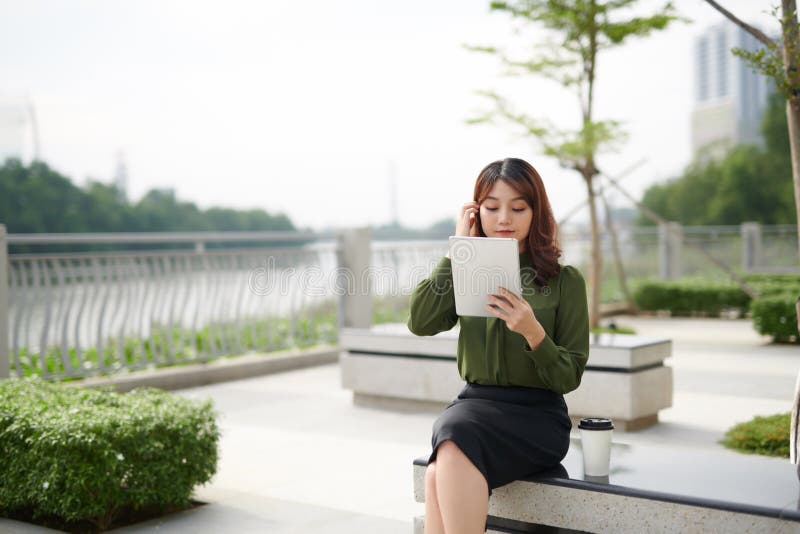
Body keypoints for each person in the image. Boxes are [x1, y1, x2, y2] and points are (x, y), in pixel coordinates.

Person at [407, 157, 590, 534]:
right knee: (437, 469)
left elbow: (569, 376)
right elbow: (421, 321)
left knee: (451, 443)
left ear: (536, 212)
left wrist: (533, 332)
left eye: (518, 207)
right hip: (474, 407)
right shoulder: (466, 269)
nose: (504, 218)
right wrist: (457, 250)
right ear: (477, 212)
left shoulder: (564, 281)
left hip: (537, 417)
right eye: (491, 208)